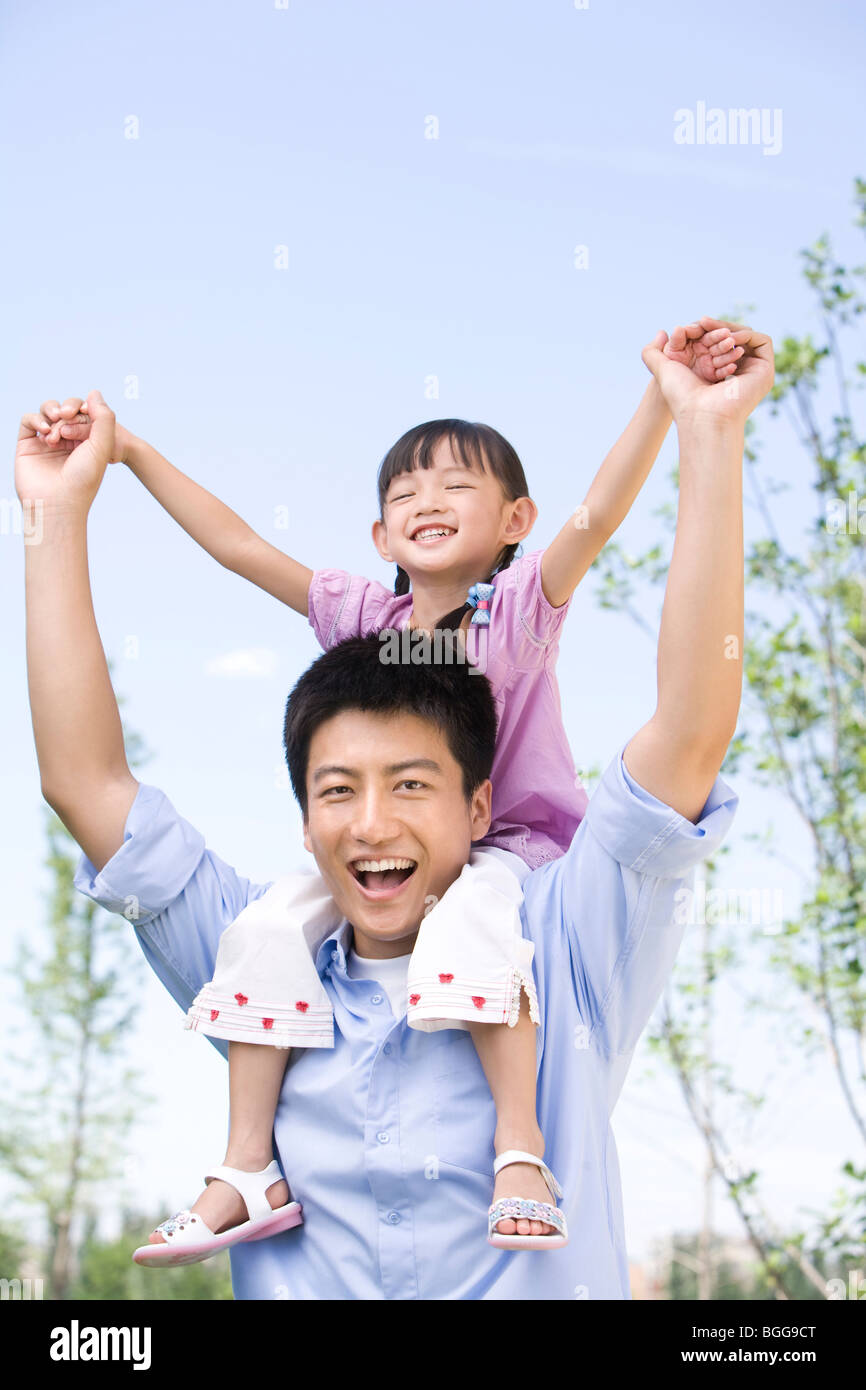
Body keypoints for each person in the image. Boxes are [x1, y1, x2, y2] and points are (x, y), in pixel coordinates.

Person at [20, 315, 773, 1298]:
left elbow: (667, 685)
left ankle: (519, 1147)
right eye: (337, 789)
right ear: (303, 816)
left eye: (409, 783)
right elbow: (99, 761)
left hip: (517, 861)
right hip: (355, 907)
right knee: (264, 924)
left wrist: (695, 425)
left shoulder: (564, 934)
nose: (370, 820)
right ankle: (247, 1163)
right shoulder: (275, 961)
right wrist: (73, 496)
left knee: (480, 923)